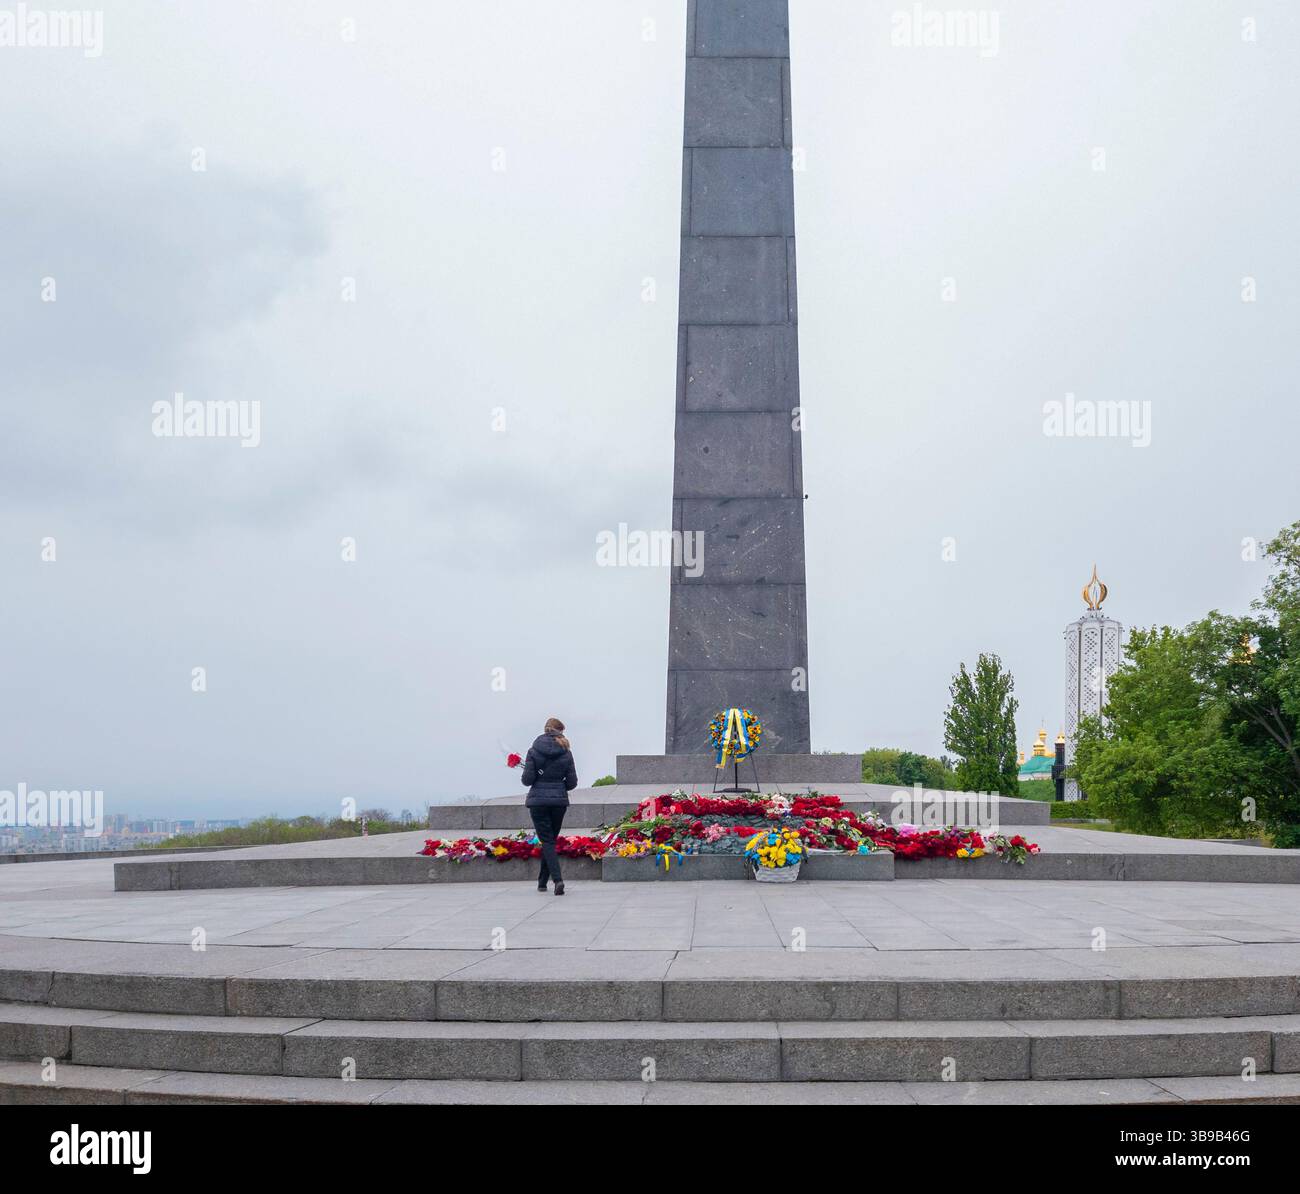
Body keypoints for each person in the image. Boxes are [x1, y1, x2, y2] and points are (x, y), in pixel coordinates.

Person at [520, 717, 578, 894]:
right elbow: (572, 782)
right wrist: (559, 785)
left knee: (547, 841)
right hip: (558, 802)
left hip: (538, 801)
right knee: (550, 840)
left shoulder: (533, 750)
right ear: (560, 731)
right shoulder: (566, 752)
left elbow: (527, 780)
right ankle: (542, 882)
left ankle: (558, 880)